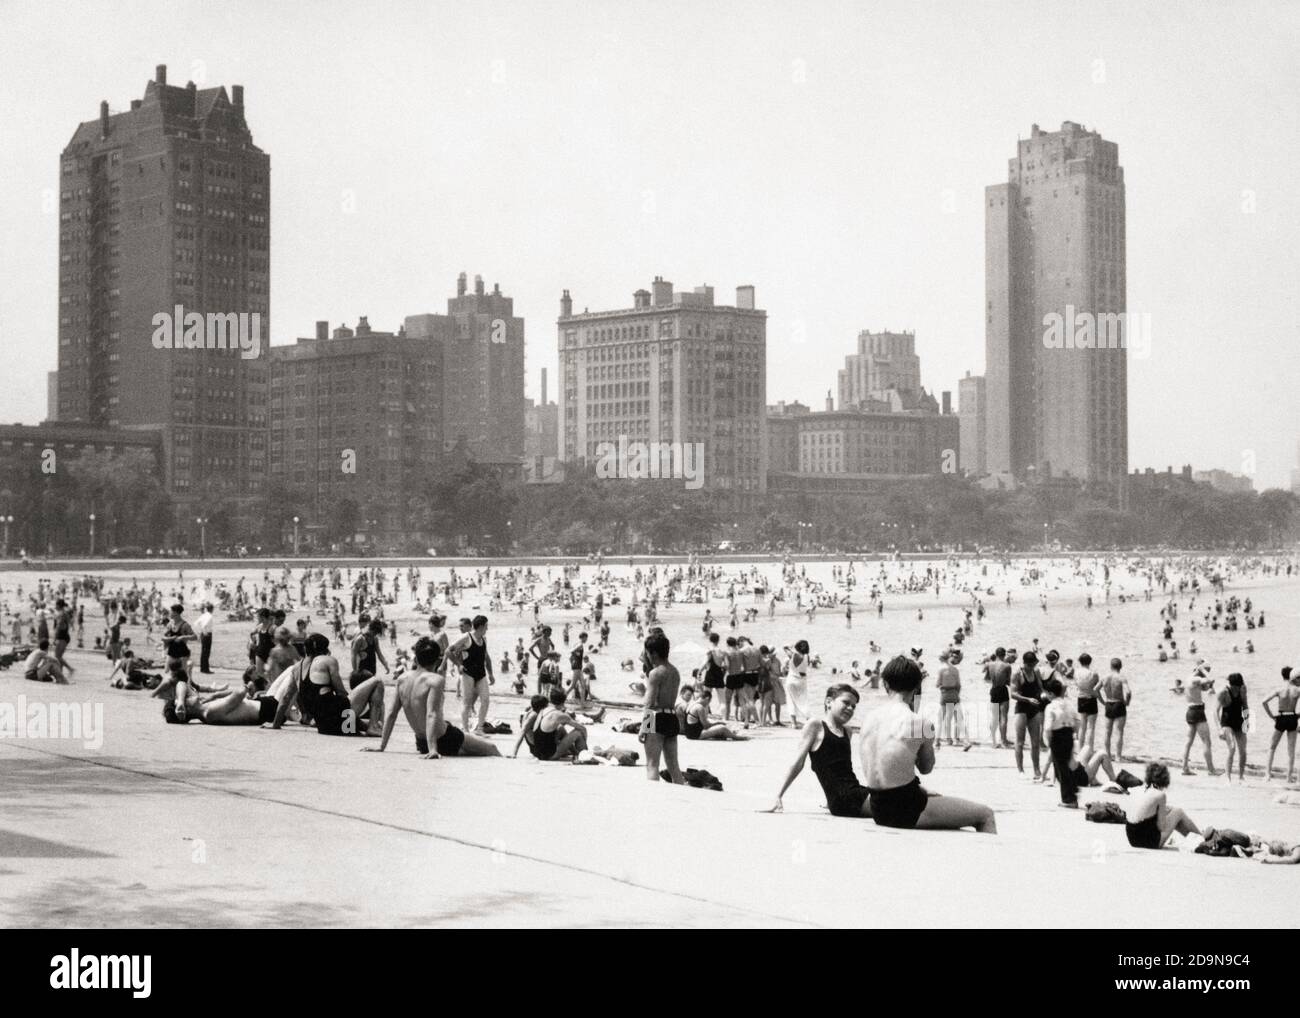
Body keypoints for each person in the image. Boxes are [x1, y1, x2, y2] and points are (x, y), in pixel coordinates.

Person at [858, 656, 996, 833]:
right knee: (985, 814)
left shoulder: (869, 718)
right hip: (907, 811)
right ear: (917, 687)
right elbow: (926, 767)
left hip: (877, 807)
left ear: (885, 684)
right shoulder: (920, 723)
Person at [365, 636, 499, 757]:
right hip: (444, 739)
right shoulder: (435, 680)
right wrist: (433, 749)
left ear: (416, 658)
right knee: (492, 748)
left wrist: (381, 746)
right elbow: (431, 714)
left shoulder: (402, 679)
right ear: (437, 660)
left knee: (468, 750)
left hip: (421, 743)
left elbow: (391, 713)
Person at [765, 683, 869, 817]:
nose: (850, 708)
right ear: (829, 702)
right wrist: (778, 796)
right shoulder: (815, 726)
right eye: (846, 703)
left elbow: (841, 769)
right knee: (893, 803)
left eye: (853, 706)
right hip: (845, 800)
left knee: (893, 797)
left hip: (853, 793)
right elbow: (797, 763)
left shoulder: (847, 731)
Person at [293, 633, 386, 737]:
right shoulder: (328, 660)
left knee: (360, 722)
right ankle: (373, 727)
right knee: (377, 681)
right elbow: (341, 692)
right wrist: (360, 700)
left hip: (322, 725)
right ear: (325, 649)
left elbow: (298, 697)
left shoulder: (296, 668)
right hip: (338, 719)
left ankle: (364, 726)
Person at [1124, 762, 1206, 850]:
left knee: (1172, 811)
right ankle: (1202, 840)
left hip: (1132, 839)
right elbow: (1161, 826)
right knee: (1178, 812)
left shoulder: (1136, 790)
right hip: (1149, 842)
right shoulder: (1160, 795)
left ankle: (1198, 839)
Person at [640, 631, 684, 783]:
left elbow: (650, 703)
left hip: (657, 718)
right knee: (674, 766)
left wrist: (644, 727)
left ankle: (653, 797)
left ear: (654, 653)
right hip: (672, 717)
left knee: (652, 765)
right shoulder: (675, 672)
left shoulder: (655, 673)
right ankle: (682, 793)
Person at [448, 615, 494, 735]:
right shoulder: (466, 638)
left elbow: (486, 657)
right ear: (481, 626)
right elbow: (448, 651)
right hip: (468, 673)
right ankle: (465, 729)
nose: (487, 629)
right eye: (486, 626)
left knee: (485, 700)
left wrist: (491, 674)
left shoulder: (484, 639)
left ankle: (479, 728)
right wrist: (458, 665)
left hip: (481, 674)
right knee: (466, 702)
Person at [513, 687, 587, 761]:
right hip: (549, 756)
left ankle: (575, 752)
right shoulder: (560, 715)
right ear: (564, 701)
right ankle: (584, 754)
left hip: (538, 753)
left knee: (560, 728)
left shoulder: (541, 710)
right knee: (578, 732)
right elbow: (583, 728)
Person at [1041, 678, 1080, 807]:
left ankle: (1069, 799)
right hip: (1068, 734)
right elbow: (1077, 720)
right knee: (1065, 765)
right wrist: (1074, 732)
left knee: (1060, 768)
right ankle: (1072, 791)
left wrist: (1048, 741)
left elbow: (1047, 727)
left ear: (1051, 693)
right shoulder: (1068, 704)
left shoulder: (1050, 706)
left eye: (1047, 693)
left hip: (1057, 736)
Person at [1010, 650, 1045, 780]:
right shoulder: (1017, 673)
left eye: (1034, 664)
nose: (1032, 667)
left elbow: (1040, 688)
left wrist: (1043, 695)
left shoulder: (1036, 672)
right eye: (1030, 665)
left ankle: (1037, 770)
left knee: (1035, 743)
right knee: (1020, 742)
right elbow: (1013, 694)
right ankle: (1021, 770)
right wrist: (1028, 699)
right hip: (1021, 709)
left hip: (1034, 709)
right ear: (1024, 663)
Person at [1261, 667, 1300, 782]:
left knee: (1272, 747)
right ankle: (1288, 777)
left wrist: (1272, 716)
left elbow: (1264, 701)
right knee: (1291, 750)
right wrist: (1298, 715)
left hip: (1281, 717)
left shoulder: (1279, 689)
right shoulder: (1297, 690)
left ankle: (1267, 774)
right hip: (1292, 717)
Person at [1181, 668, 1219, 776]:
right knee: (1206, 741)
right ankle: (1211, 770)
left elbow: (1204, 688)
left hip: (1190, 711)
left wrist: (1209, 685)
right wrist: (1203, 670)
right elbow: (1209, 679)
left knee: (1188, 742)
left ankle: (1184, 768)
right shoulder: (1196, 678)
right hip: (1198, 711)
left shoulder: (1189, 679)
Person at [680, 687, 746, 741]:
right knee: (722, 728)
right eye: (709, 702)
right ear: (707, 699)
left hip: (689, 733)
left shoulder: (691, 704)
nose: (707, 704)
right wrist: (718, 723)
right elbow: (706, 726)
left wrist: (715, 724)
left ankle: (730, 733)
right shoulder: (700, 707)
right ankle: (738, 737)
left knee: (717, 727)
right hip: (696, 735)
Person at [1216, 672, 1249, 782]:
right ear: (1231, 685)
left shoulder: (1242, 689)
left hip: (1239, 722)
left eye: (1238, 687)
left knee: (1243, 751)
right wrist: (1219, 729)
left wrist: (1248, 722)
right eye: (1235, 687)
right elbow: (1215, 711)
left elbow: (1245, 705)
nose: (1236, 689)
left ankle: (1241, 777)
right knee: (1232, 748)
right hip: (1227, 722)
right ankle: (1228, 777)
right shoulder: (1223, 692)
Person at [935, 651, 970, 748]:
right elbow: (959, 685)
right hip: (954, 694)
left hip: (944, 694)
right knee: (958, 718)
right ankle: (957, 740)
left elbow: (937, 684)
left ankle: (937, 741)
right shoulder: (955, 669)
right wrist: (957, 695)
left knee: (940, 719)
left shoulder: (941, 669)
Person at [1101, 658, 1132, 761]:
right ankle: (1118, 757)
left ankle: (1108, 756)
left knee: (1107, 731)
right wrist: (1127, 702)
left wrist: (1102, 701)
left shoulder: (1105, 677)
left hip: (1108, 703)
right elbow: (1128, 692)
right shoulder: (1121, 677)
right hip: (1119, 704)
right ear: (1120, 667)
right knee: (1119, 732)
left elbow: (1095, 690)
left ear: (1110, 666)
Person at [984, 648, 1012, 748]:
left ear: (995, 654)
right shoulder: (1007, 666)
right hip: (1002, 690)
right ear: (1004, 655)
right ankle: (1003, 741)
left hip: (994, 690)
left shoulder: (989, 665)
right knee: (1004, 716)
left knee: (994, 717)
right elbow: (1009, 681)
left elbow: (987, 679)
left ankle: (994, 741)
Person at [1073, 652, 1100, 751]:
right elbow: (1096, 688)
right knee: (1091, 727)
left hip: (1080, 698)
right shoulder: (1093, 673)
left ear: (1080, 662)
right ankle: (1089, 749)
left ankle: (1080, 748)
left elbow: (1076, 684)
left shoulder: (1076, 672)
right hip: (1091, 699)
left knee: (1082, 726)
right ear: (1090, 661)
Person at [195, 601, 215, 674]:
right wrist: (204, 631)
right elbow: (204, 625)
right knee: (206, 652)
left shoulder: (203, 615)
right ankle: (205, 669)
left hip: (203, 634)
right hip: (207, 634)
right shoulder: (209, 616)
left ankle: (203, 668)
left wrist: (201, 632)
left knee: (203, 651)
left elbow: (196, 623)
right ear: (212, 609)